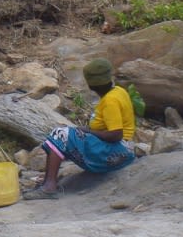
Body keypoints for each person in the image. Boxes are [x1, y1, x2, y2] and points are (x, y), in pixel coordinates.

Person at [36, 59, 142, 196]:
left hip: (117, 152)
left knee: (60, 134)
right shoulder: (118, 91)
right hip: (123, 150)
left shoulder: (110, 101)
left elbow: (116, 135)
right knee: (66, 134)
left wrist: (87, 131)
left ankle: (49, 187)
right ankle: (48, 182)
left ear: (91, 85)